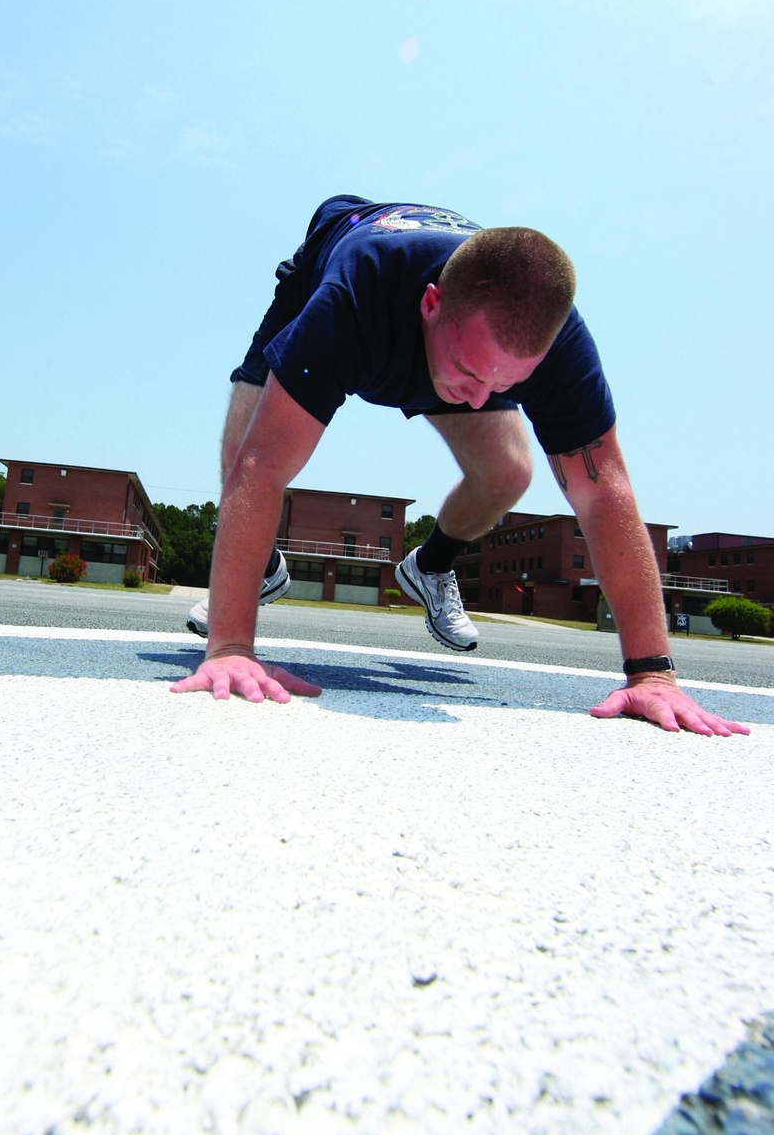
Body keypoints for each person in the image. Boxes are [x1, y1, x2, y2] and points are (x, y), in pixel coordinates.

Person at [171, 194, 748, 737]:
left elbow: (605, 494)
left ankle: (432, 565)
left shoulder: (555, 344)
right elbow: (262, 466)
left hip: (449, 319)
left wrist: (652, 672)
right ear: (431, 305)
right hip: (339, 267)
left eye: (508, 385)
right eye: (471, 375)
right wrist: (230, 649)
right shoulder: (351, 300)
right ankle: (258, 570)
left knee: (509, 471)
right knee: (242, 449)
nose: (477, 400)